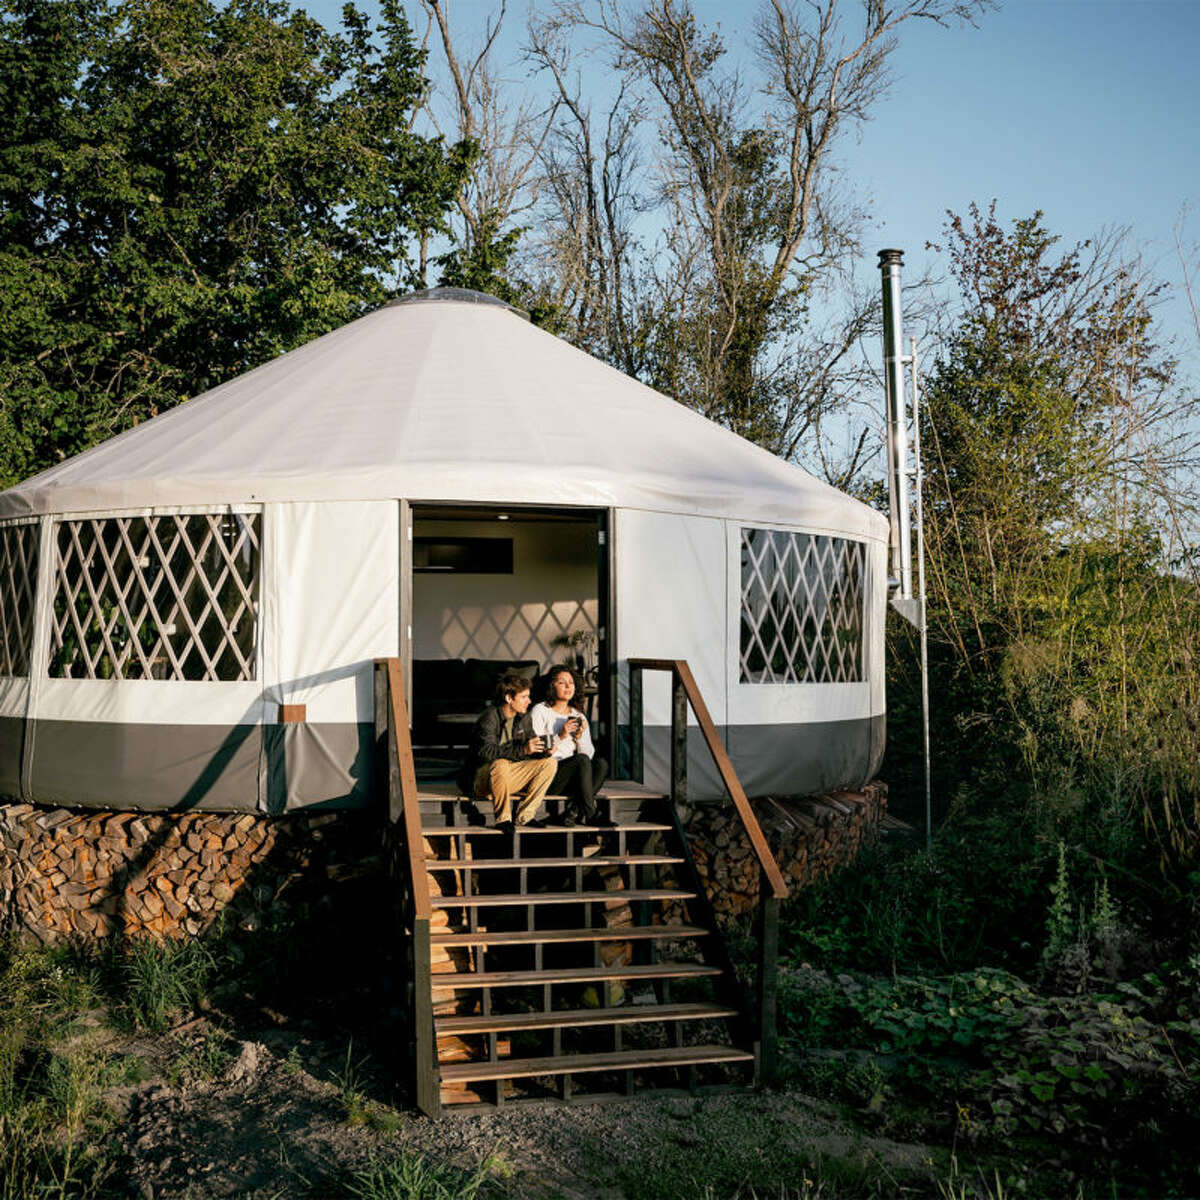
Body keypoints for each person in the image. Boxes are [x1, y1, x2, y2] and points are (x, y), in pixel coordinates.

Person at [457, 671, 557, 834]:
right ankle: (503, 819)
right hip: (481, 778)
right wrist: (523, 749)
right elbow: (486, 751)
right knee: (501, 763)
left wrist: (543, 752)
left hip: (507, 776)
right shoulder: (490, 717)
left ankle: (525, 816)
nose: (529, 701)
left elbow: (528, 749)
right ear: (509, 699)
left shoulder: (523, 718)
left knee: (549, 763)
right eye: (524, 697)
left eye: (528, 696)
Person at [530, 664, 610, 825]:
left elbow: (588, 755)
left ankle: (573, 810)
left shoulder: (577, 715)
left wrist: (579, 737)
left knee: (601, 764)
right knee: (580, 760)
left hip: (573, 776)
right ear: (552, 686)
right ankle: (591, 813)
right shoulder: (540, 710)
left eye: (571, 683)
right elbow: (536, 750)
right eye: (562, 682)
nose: (568, 686)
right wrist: (561, 735)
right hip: (548, 775)